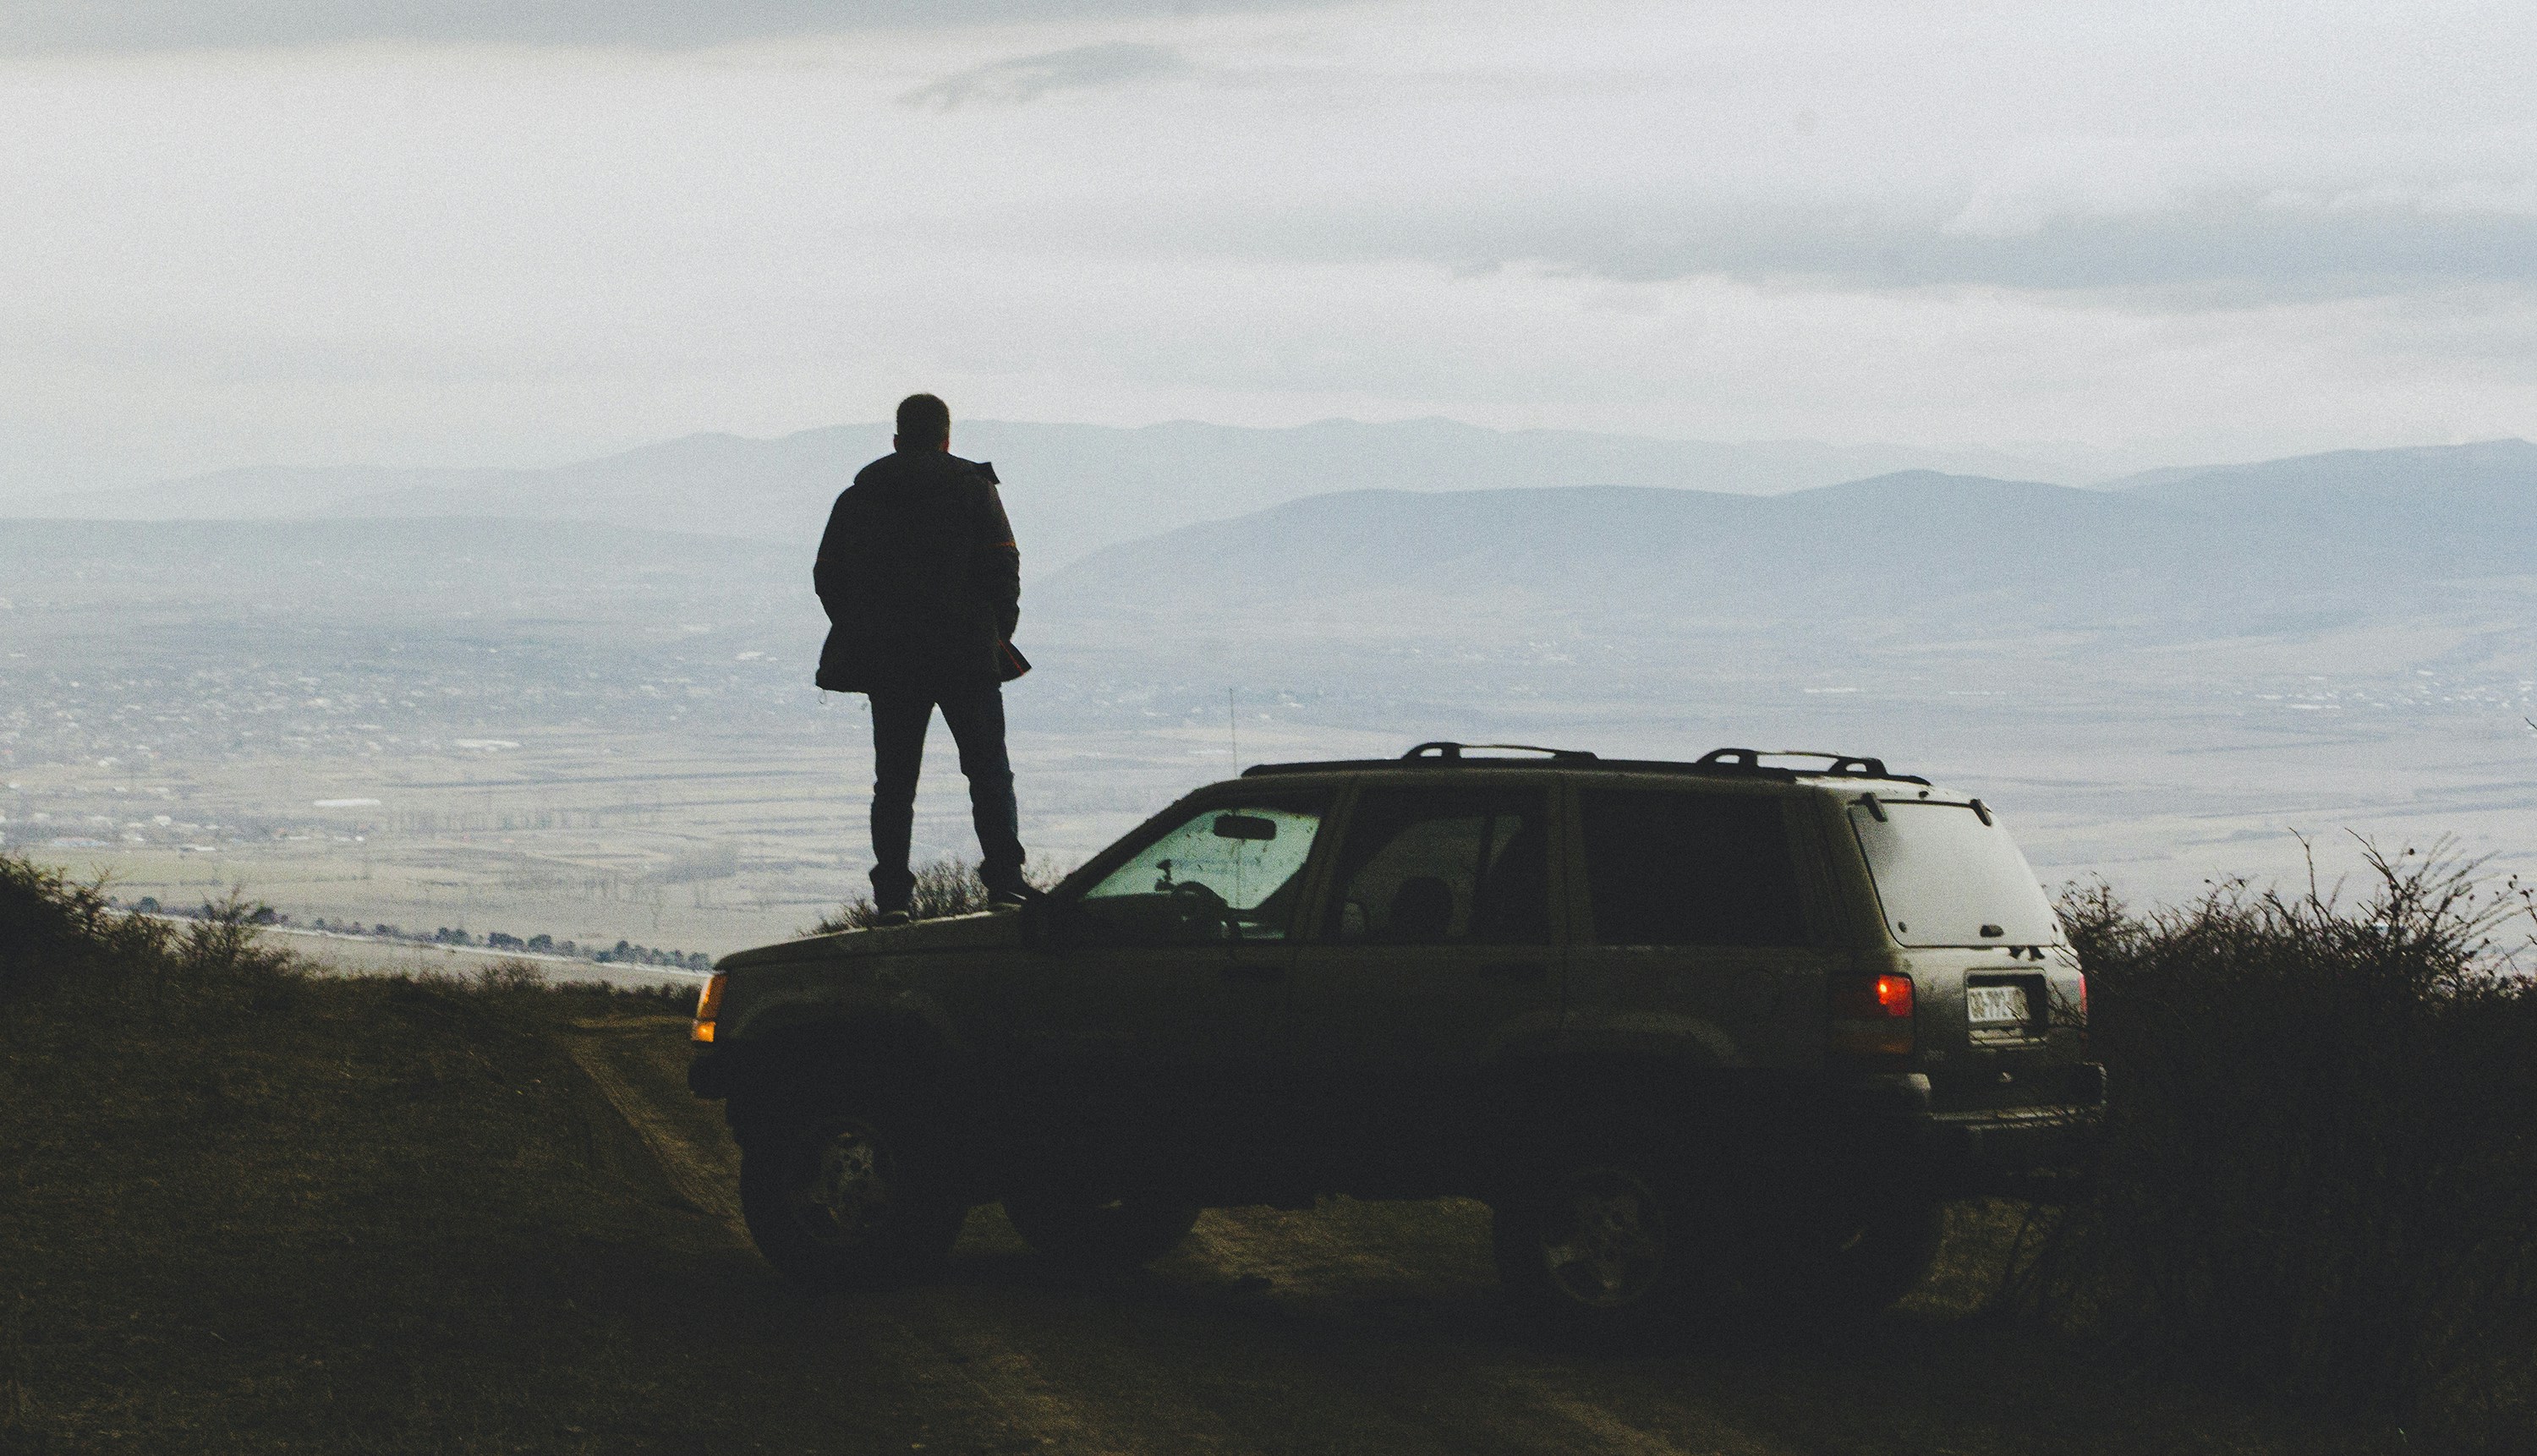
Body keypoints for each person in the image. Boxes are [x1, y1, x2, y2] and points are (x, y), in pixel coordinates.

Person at [814, 393, 1028, 922]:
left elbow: (827, 576)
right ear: (947, 438)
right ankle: (1005, 885)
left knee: (894, 783)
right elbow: (1005, 571)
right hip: (967, 657)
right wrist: (993, 633)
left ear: (895, 439)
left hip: (892, 661)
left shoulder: (858, 497)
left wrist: (863, 630)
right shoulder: (976, 491)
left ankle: (892, 900)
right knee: (988, 773)